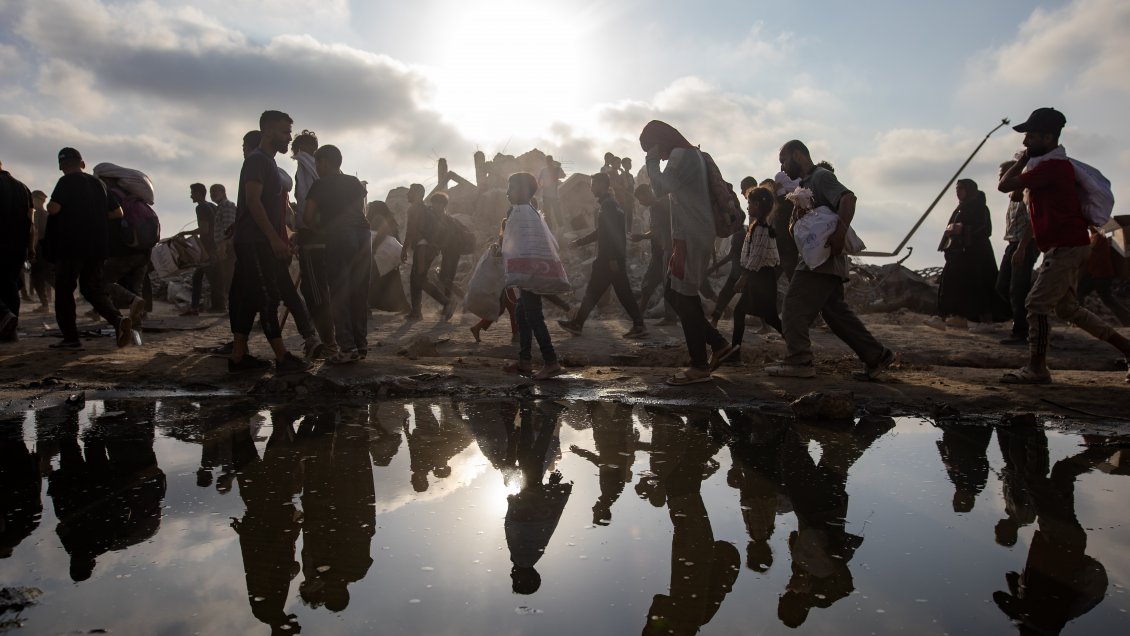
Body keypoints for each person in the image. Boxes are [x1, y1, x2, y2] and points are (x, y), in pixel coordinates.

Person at [997, 107, 1130, 384]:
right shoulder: (1048, 168)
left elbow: (1004, 185)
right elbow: (1039, 215)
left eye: (1030, 137)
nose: (1024, 143)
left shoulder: (1052, 168)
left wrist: (1021, 160)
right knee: (1068, 310)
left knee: (1036, 305)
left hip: (1067, 246)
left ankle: (1037, 368)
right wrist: (1023, 247)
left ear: (1048, 138)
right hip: (1065, 245)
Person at [766, 140, 895, 380]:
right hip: (822, 258)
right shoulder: (805, 184)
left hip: (821, 260)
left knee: (793, 306)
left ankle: (799, 360)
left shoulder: (820, 177)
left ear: (798, 155)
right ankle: (877, 356)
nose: (783, 168)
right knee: (836, 314)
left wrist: (839, 233)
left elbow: (848, 199)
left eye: (784, 160)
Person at [640, 120, 734, 385]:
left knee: (685, 295)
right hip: (690, 234)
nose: (657, 153)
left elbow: (660, 188)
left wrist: (651, 161)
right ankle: (717, 343)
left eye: (653, 147)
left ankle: (699, 365)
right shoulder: (689, 154)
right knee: (672, 290)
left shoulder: (681, 155)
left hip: (691, 235)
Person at [227, 111, 309, 374]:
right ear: (270, 131)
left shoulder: (268, 163)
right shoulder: (258, 161)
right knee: (268, 296)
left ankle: (239, 357)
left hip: (258, 239)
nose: (288, 138)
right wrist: (273, 239)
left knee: (251, 298)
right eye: (285, 132)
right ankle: (282, 358)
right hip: (255, 241)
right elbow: (253, 201)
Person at [45, 147, 132, 349]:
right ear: (82, 164)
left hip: (70, 246)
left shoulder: (66, 181)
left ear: (62, 166)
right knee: (91, 288)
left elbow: (54, 208)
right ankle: (117, 320)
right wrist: (96, 217)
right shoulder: (99, 183)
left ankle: (71, 338)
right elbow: (118, 212)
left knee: (65, 290)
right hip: (97, 246)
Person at [557, 172, 648, 338]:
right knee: (602, 291)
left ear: (601, 185)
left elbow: (611, 233)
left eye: (593, 184)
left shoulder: (609, 206)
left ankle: (638, 325)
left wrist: (612, 258)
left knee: (610, 292)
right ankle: (579, 323)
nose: (591, 188)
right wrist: (579, 243)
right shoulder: (610, 204)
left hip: (609, 259)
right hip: (610, 258)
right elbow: (601, 231)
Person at [304, 144, 371, 363]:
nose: (317, 167)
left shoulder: (319, 185)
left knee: (339, 292)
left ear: (323, 162)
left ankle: (347, 348)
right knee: (359, 290)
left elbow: (308, 216)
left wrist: (321, 231)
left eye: (317, 163)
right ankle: (361, 346)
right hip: (362, 235)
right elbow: (362, 210)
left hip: (339, 236)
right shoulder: (353, 182)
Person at [503, 172, 563, 380]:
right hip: (532, 269)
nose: (507, 193)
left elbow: (514, 243)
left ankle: (551, 361)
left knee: (533, 315)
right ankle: (525, 361)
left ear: (523, 190)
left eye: (510, 188)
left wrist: (500, 252)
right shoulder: (531, 212)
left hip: (528, 271)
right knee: (522, 313)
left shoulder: (518, 212)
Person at [931, 179, 1007, 331]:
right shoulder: (962, 208)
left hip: (977, 254)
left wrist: (964, 230)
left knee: (978, 286)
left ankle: (982, 321)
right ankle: (952, 316)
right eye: (957, 189)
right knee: (950, 283)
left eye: (961, 189)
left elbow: (986, 229)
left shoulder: (980, 207)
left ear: (969, 190)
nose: (958, 192)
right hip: (959, 253)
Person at [728, 186, 783, 360]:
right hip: (760, 278)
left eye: (750, 203)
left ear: (757, 205)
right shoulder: (758, 226)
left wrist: (743, 278)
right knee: (744, 312)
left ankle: (799, 346)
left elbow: (757, 257)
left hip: (761, 278)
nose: (747, 207)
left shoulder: (761, 228)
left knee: (771, 318)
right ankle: (734, 353)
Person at [995, 160, 1038, 345]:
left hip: (1025, 244)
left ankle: (1021, 331)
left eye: (1004, 174)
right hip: (1012, 242)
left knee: (1017, 289)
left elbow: (1033, 222)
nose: (1001, 178)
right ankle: (1024, 321)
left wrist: (1022, 248)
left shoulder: (1027, 193)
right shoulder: (1013, 197)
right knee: (1002, 285)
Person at [401, 183, 449, 320]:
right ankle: (417, 311)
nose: (407, 194)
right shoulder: (425, 209)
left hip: (423, 247)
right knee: (417, 278)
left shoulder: (414, 209)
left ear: (417, 193)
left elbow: (410, 231)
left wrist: (404, 249)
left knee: (418, 279)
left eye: (410, 192)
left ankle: (445, 302)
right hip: (429, 247)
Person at [630, 183, 677, 323]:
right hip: (665, 251)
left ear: (646, 194)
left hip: (663, 252)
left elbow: (655, 232)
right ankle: (641, 317)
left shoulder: (656, 207)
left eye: (640, 198)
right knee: (653, 284)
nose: (640, 202)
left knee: (655, 284)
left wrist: (640, 237)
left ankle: (640, 318)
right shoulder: (665, 202)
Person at [0, 161, 34, 342]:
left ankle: (4, 315)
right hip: (17, 247)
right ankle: (10, 332)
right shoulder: (22, 188)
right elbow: (31, 223)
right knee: (10, 286)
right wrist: (31, 248)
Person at [1077, 229, 1130, 327]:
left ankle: (1127, 320)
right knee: (1080, 293)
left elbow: (1089, 247)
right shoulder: (1094, 238)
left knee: (1107, 299)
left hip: (1101, 275)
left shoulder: (1099, 238)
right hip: (1095, 275)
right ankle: (1079, 320)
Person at [365, 200, 410, 313]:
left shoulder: (377, 218)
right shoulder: (390, 220)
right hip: (391, 256)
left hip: (381, 255)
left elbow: (381, 233)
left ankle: (368, 305)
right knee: (394, 282)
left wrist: (373, 248)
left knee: (372, 280)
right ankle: (404, 306)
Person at [182, 183, 220, 315]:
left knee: (212, 278)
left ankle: (217, 306)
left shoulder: (201, 208)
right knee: (199, 277)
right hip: (215, 245)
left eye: (192, 193)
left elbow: (204, 229)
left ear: (198, 193)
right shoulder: (212, 206)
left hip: (207, 248)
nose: (191, 195)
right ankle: (195, 307)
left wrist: (186, 234)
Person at [29, 190, 53, 313]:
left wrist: (31, 250)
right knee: (49, 277)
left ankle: (45, 305)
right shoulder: (48, 214)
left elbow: (35, 232)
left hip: (39, 249)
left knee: (37, 278)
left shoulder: (37, 214)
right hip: (49, 249)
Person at [537, 155, 565, 231]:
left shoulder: (547, 169)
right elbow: (563, 175)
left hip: (549, 195)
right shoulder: (555, 169)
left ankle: (552, 228)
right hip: (551, 195)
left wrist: (542, 186)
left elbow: (539, 181)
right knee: (554, 212)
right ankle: (558, 228)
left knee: (550, 213)